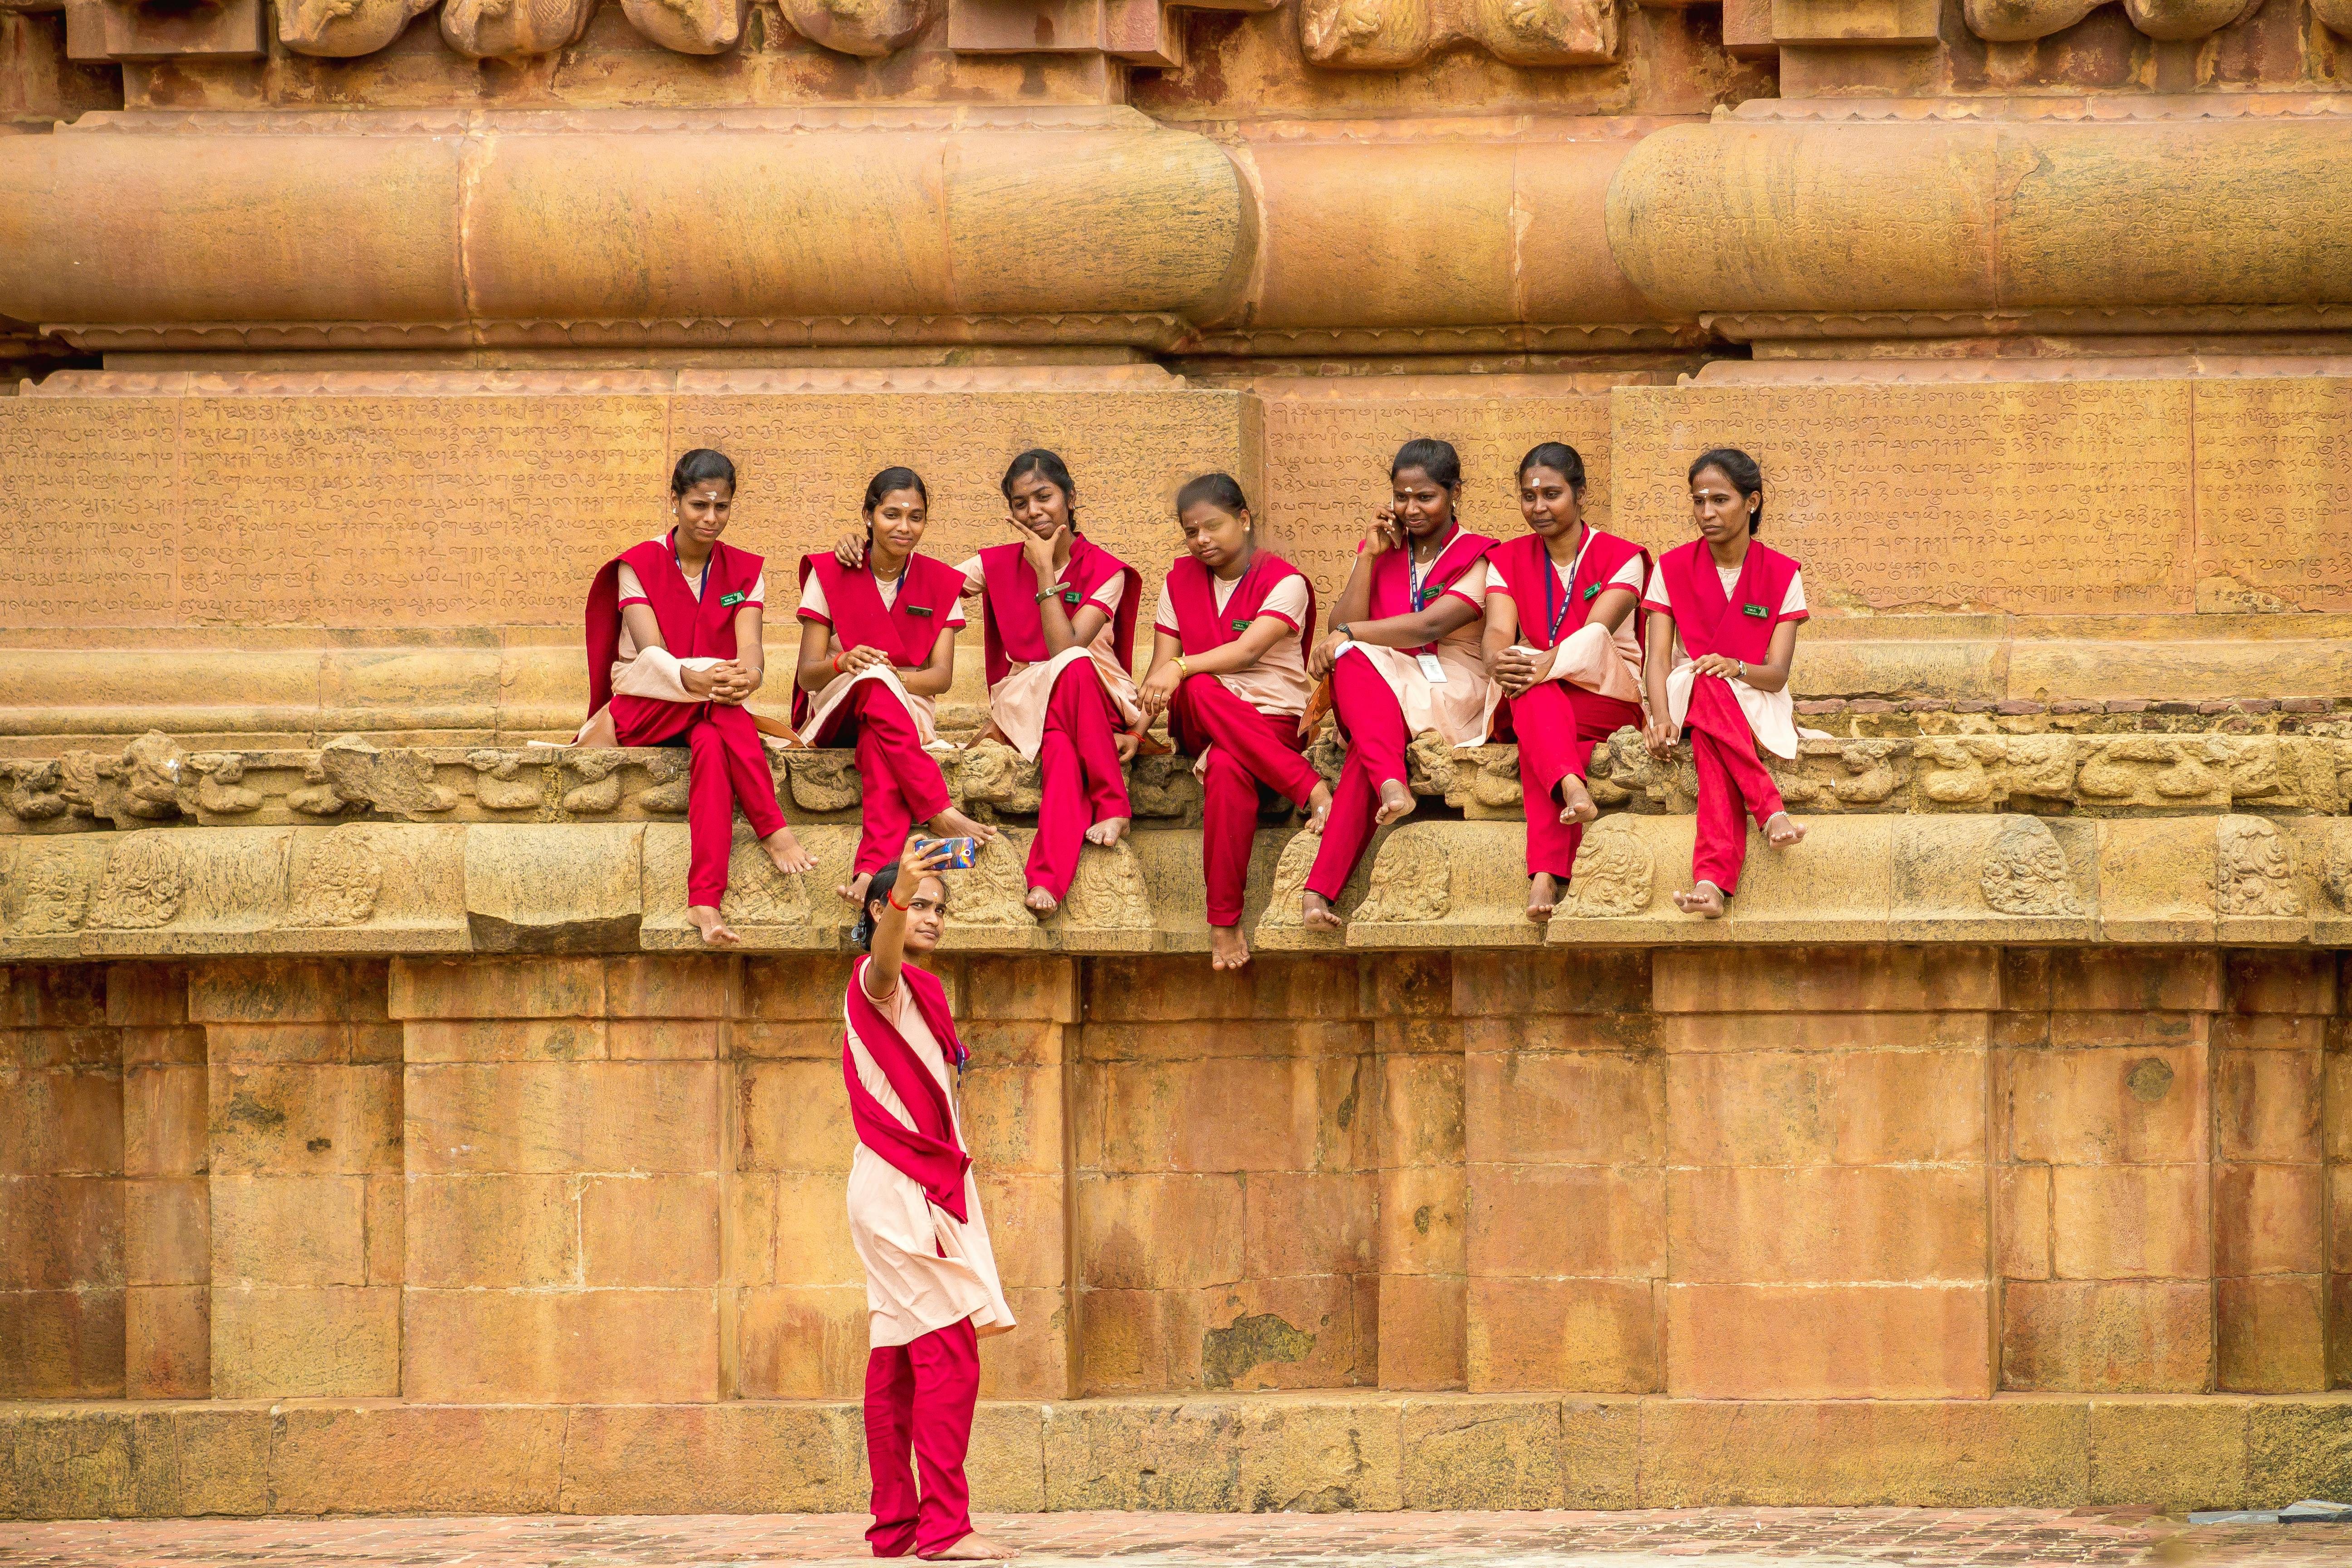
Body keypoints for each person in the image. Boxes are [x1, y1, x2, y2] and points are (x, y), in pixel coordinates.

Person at [829, 450, 1141, 916]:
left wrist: (1043, 571)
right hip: (1030, 698)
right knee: (1060, 749)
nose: (1033, 512)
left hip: (1094, 697)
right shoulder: (995, 563)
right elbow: (924, 586)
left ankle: (1105, 815)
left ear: (1070, 498)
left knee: (1074, 673)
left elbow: (1065, 649)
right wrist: (865, 551)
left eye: (1044, 497)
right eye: (1020, 503)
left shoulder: (1105, 570)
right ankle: (1053, 876)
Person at [843, 838, 1017, 1563]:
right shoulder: (876, 982)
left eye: (940, 909)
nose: (931, 918)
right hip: (898, 1190)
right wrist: (898, 896)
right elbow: (884, 957)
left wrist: (906, 894)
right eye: (918, 905)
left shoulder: (923, 995)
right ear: (882, 910)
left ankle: (896, 1527)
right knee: (950, 1354)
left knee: (896, 1361)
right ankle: (946, 1529)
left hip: (903, 1187)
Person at [578, 448, 816, 948]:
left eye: (721, 507)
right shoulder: (638, 564)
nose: (711, 518)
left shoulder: (745, 570)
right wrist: (701, 682)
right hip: (645, 707)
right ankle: (772, 826)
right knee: (717, 709)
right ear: (675, 501)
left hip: (712, 707)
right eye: (698, 505)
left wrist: (749, 678)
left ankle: (704, 900)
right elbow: (651, 654)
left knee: (711, 741)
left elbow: (750, 648)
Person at [1136, 473, 1333, 973]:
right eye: (1191, 531)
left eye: (1213, 526)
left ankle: (1224, 921)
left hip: (1272, 721)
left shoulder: (1285, 582)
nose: (1201, 539)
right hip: (1201, 717)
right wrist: (1137, 732)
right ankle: (1309, 787)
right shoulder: (1178, 582)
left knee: (1226, 767)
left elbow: (1247, 653)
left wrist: (1182, 667)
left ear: (1244, 520)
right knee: (1198, 687)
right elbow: (1162, 670)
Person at [1299, 438, 1495, 930]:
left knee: (1358, 691)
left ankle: (1321, 886)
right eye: (1401, 497)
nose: (1411, 509)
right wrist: (1369, 558)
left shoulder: (1479, 555)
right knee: (1354, 673)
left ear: (1454, 493)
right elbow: (1339, 625)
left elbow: (1430, 626)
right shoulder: (1386, 549)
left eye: (1425, 497)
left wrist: (1350, 635)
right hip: (1385, 683)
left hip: (1452, 685)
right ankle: (1322, 889)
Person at [796, 467, 999, 909]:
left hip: (905, 714)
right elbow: (807, 675)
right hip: (838, 708)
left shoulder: (941, 582)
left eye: (916, 517)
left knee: (878, 741)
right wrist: (844, 662)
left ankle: (871, 872)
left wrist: (891, 679)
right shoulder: (829, 572)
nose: (904, 527)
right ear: (868, 516)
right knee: (872, 682)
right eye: (891, 515)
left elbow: (941, 678)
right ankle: (937, 808)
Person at [1480, 442, 1650, 921]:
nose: (1539, 507)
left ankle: (1545, 872)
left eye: (1552, 494)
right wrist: (1496, 662)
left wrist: (1537, 667)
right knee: (1535, 694)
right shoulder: (1507, 559)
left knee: (1537, 711)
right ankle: (1571, 790)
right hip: (1537, 691)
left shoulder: (1623, 557)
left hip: (1606, 692)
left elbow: (1595, 634)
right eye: (1528, 496)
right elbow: (1498, 631)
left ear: (1581, 494)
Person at [1641, 447, 1810, 919]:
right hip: (1689, 691)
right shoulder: (1671, 567)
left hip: (1756, 697)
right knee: (1704, 679)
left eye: (1720, 500)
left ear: (1752, 502)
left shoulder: (1783, 573)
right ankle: (1769, 810)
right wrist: (1659, 717)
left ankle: (1711, 882)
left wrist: (1736, 666)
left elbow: (1777, 675)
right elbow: (1658, 658)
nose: (1707, 513)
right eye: (1699, 501)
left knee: (1711, 741)